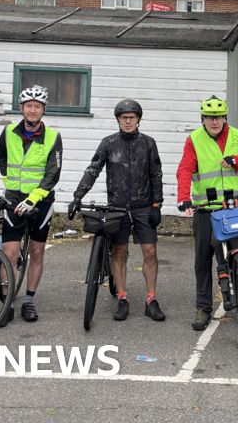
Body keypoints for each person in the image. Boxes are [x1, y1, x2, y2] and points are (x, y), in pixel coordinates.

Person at [70, 99, 166, 322]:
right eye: (124, 118)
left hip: (143, 206)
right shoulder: (108, 143)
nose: (128, 121)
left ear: (139, 119)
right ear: (118, 120)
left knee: (150, 252)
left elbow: (156, 175)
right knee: (119, 252)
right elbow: (93, 170)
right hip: (117, 207)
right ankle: (122, 297)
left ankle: (151, 299)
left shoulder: (149, 143)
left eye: (132, 117)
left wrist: (156, 204)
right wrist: (77, 196)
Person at [176, 96, 238, 331]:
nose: (215, 122)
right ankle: (203, 307)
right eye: (210, 118)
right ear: (203, 119)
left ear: (225, 118)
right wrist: (184, 198)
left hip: (233, 207)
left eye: (219, 117)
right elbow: (185, 170)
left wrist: (237, 160)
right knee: (202, 258)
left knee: (237, 252)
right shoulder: (194, 140)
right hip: (205, 209)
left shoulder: (236, 136)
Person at [0, 85, 62, 324]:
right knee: (9, 253)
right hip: (14, 199)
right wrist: (10, 184)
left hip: (40, 203)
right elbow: (1, 158)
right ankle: (7, 302)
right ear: (22, 108)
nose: (33, 110)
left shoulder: (53, 137)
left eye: (37, 106)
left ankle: (29, 301)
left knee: (36, 252)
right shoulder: (9, 132)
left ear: (43, 110)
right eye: (28, 106)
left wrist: (33, 198)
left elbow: (52, 174)